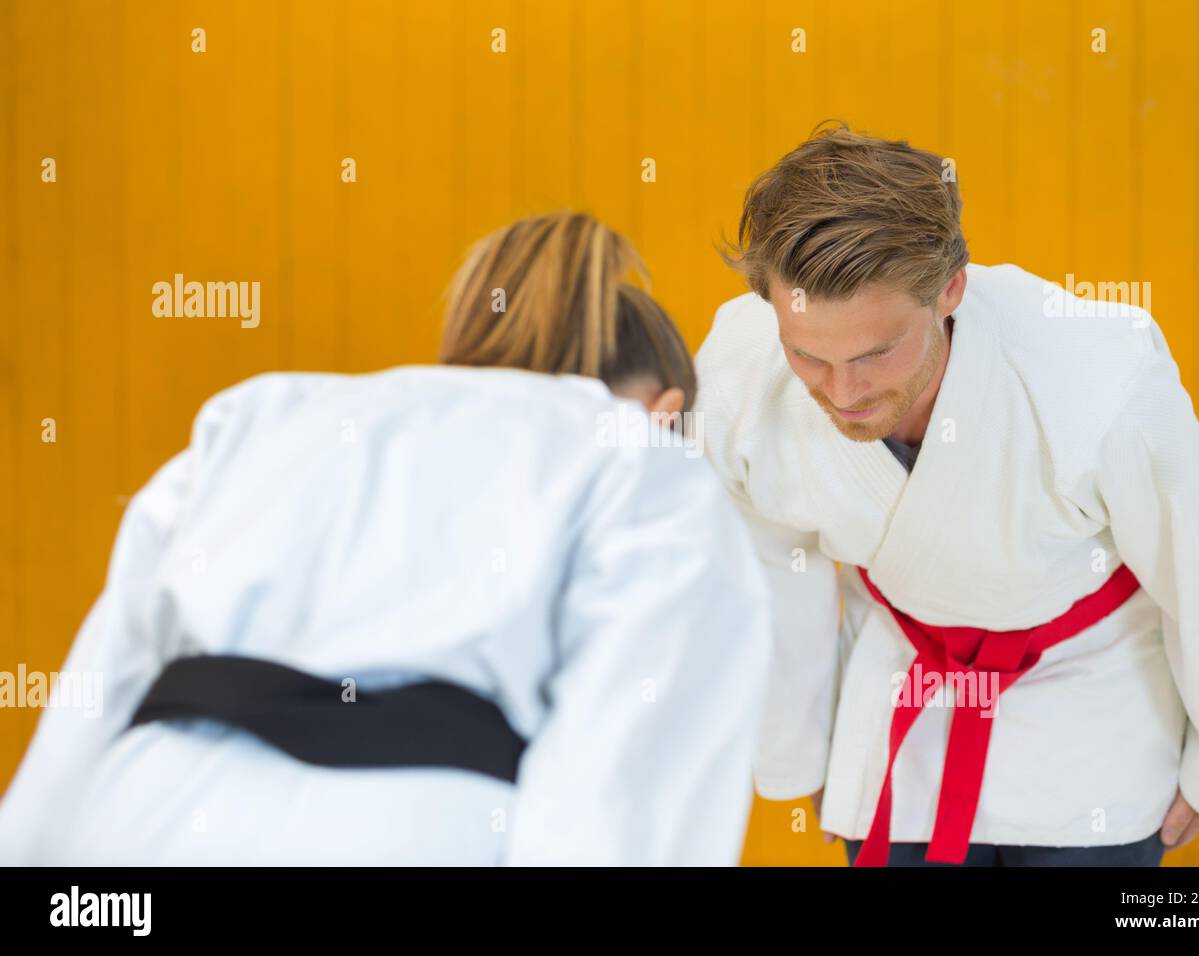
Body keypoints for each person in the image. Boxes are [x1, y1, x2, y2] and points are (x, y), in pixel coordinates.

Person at [0, 212, 773, 865]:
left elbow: (92, 699)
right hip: (411, 832)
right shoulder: (643, 461)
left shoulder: (259, 417)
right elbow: (622, 786)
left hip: (141, 822)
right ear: (667, 411)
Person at [694, 122, 1199, 867]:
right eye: (807, 354)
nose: (842, 392)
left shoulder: (1099, 371)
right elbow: (776, 579)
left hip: (1090, 702)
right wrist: (805, 750)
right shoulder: (741, 377)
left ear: (950, 290)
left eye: (876, 353)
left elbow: (1197, 571)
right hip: (905, 697)